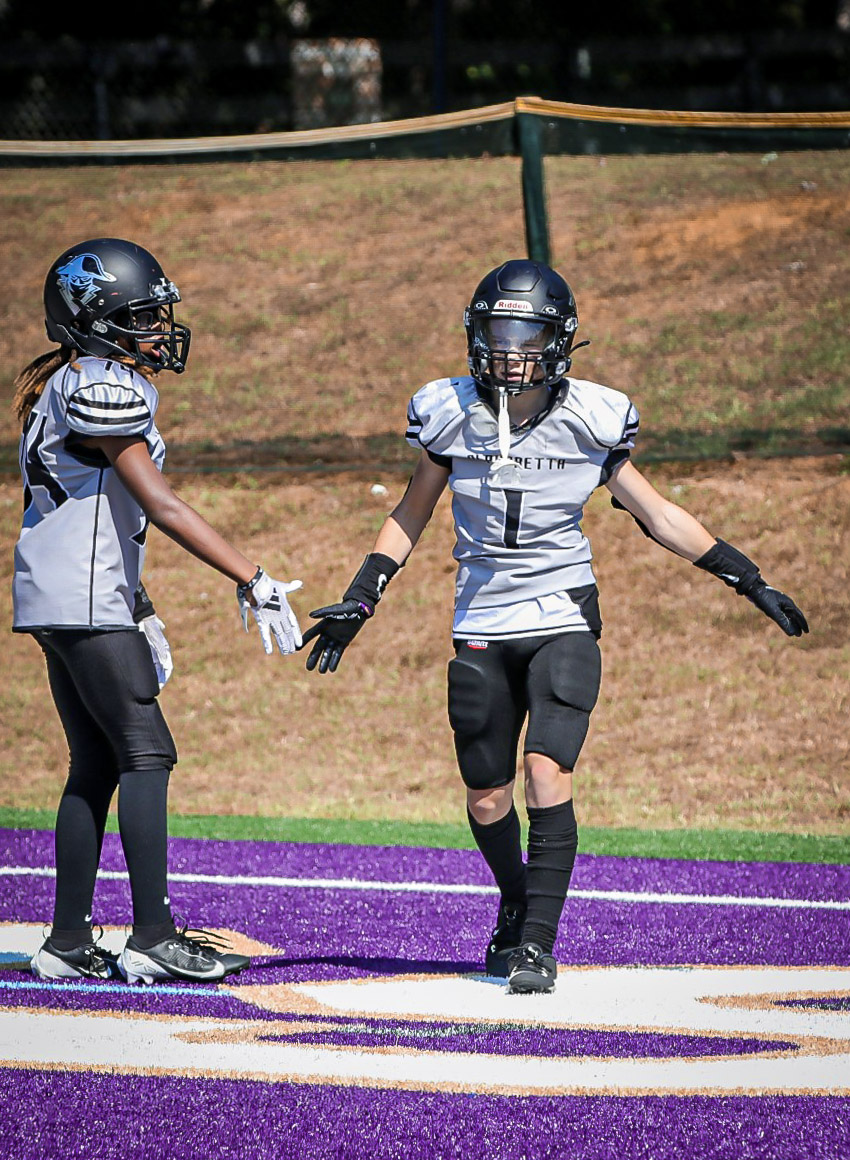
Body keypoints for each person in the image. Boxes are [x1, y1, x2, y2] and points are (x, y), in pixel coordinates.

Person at [301, 258, 808, 995]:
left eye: (525, 333)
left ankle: (536, 942)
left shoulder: (590, 416)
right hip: (481, 614)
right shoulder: (449, 411)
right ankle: (517, 895)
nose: (509, 349)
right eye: (497, 331)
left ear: (560, 340)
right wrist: (363, 596)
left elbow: (657, 511)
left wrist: (745, 574)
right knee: (485, 795)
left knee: (548, 771)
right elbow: (411, 510)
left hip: (562, 611)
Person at [12, 238, 302, 984]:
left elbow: (97, 511)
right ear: (94, 318)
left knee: (98, 761)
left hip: (68, 595)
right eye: (139, 316)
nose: (155, 330)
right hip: (81, 599)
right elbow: (160, 504)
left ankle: (68, 940)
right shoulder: (98, 385)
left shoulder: (74, 381)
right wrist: (252, 575)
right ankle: (151, 935)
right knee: (148, 753)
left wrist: (137, 603)